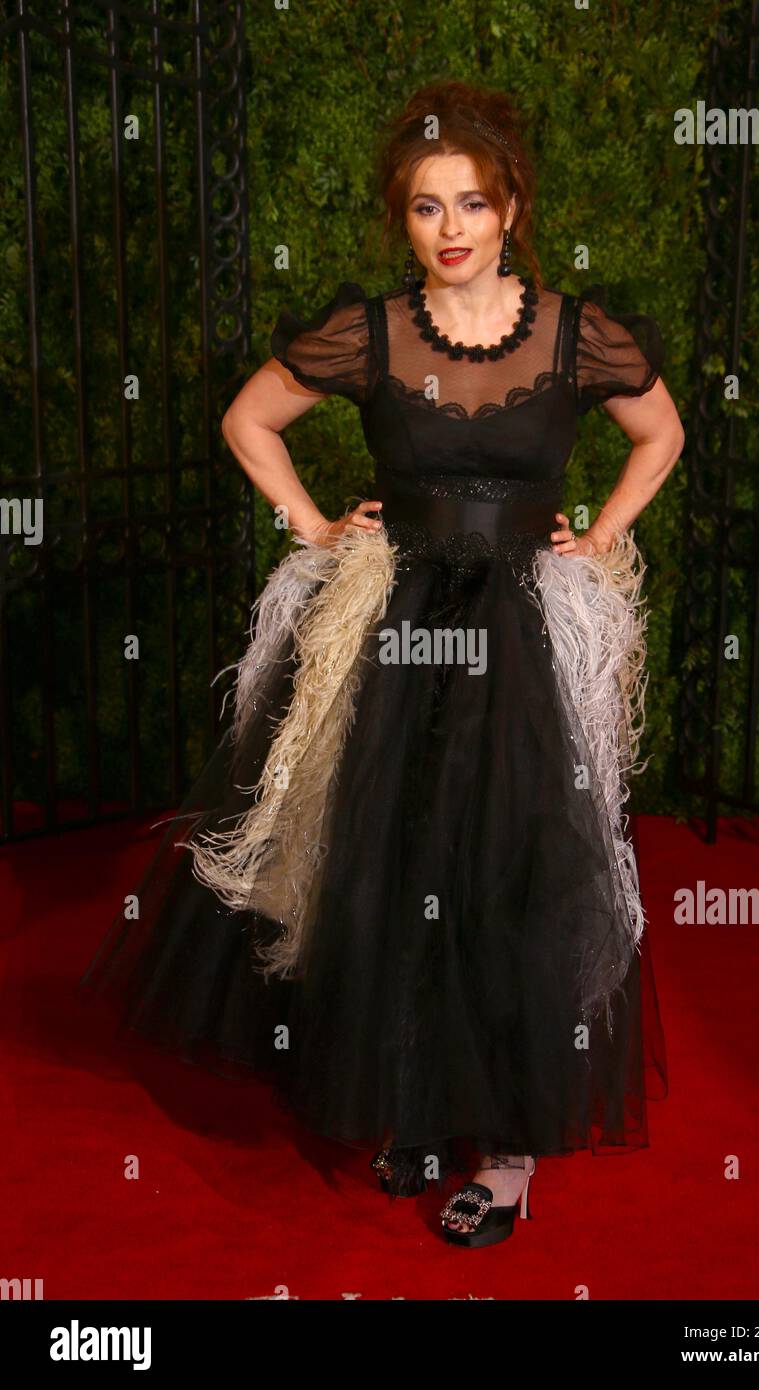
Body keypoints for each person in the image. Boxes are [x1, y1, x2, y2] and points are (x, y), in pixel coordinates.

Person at [79, 79, 682, 1249]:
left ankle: (507, 1147)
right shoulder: (369, 329)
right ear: (400, 219)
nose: (449, 227)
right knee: (395, 857)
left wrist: (602, 535)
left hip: (520, 640)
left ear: (510, 207)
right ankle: (410, 1097)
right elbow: (249, 418)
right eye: (423, 207)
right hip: (394, 628)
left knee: (512, 867)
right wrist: (311, 526)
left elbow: (659, 433)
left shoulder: (576, 331)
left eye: (470, 202)